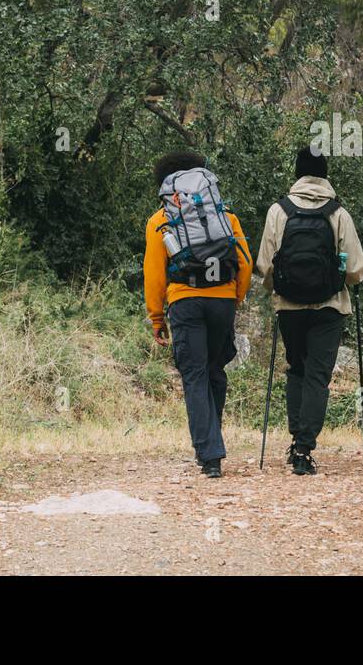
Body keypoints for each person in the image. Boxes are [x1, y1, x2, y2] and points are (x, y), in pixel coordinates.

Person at [256, 146, 363, 475]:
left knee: (297, 370)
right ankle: (304, 449)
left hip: (289, 307)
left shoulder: (279, 211)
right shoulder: (338, 214)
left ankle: (295, 440)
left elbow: (264, 266)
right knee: (317, 377)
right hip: (328, 308)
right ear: (325, 175)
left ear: (297, 173)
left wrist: (276, 290)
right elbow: (357, 269)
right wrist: (338, 279)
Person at [144, 151, 252, 479]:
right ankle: (211, 444)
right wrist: (233, 299)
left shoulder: (160, 220)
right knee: (215, 370)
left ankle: (210, 455)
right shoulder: (224, 215)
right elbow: (244, 262)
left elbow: (154, 273)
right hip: (222, 299)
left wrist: (156, 316)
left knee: (194, 375)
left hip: (184, 302)